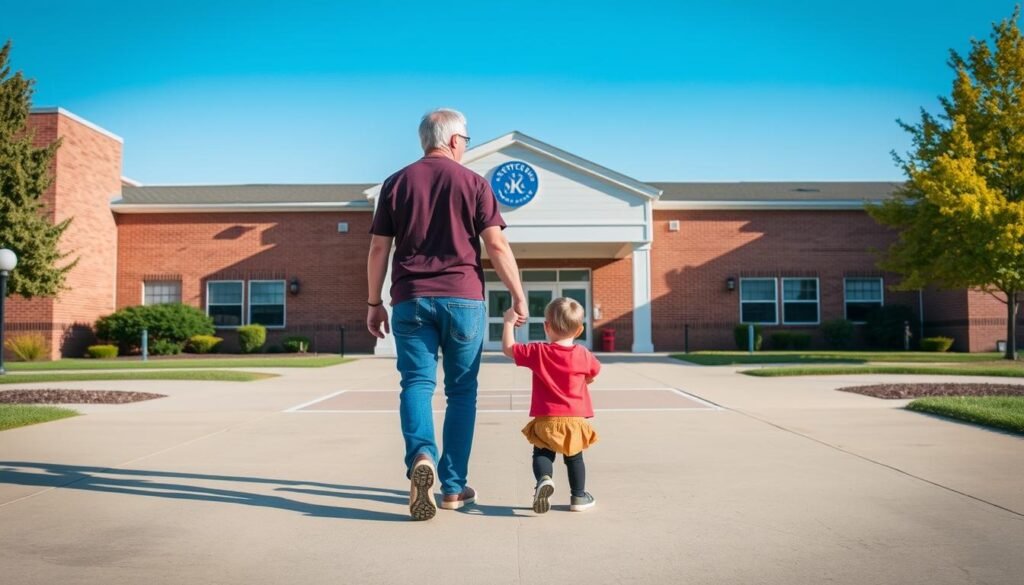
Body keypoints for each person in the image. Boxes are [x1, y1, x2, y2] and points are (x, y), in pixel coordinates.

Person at [366, 108, 527, 521]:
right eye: (468, 140)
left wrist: (373, 302)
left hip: (410, 298)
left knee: (417, 383)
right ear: (455, 140)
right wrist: (518, 294)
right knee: (461, 392)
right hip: (463, 300)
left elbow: (378, 249)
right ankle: (453, 487)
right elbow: (497, 245)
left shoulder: (395, 183)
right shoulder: (473, 183)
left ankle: (421, 455)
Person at [502, 297, 600, 513]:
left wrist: (509, 323)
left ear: (547, 327)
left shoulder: (538, 352)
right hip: (575, 419)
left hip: (547, 418)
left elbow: (509, 349)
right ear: (579, 329)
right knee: (575, 458)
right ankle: (579, 497)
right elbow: (594, 372)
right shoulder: (583, 354)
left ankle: (544, 479)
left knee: (542, 453)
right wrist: (584, 380)